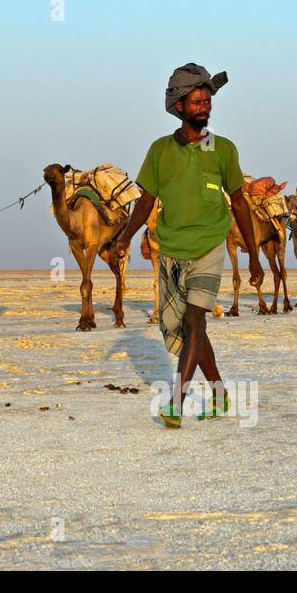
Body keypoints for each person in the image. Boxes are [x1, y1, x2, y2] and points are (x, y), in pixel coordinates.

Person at [118, 64, 262, 427]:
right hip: (171, 248)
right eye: (197, 102)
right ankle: (218, 393)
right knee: (185, 329)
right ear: (179, 107)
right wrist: (125, 236)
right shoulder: (160, 150)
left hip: (209, 245)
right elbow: (146, 200)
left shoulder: (223, 150)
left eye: (207, 101)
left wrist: (255, 256)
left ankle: (177, 401)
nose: (204, 108)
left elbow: (240, 202)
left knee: (196, 318)